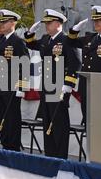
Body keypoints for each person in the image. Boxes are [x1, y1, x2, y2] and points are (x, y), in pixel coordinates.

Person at [24, 9, 81, 159]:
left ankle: (61, 157)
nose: (46, 26)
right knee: (47, 122)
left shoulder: (67, 40)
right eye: (46, 23)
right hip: (46, 86)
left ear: (58, 23)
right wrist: (30, 33)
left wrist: (68, 84)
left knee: (59, 124)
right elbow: (31, 45)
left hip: (59, 87)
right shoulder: (45, 39)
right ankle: (50, 156)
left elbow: (75, 63)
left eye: (49, 23)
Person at [0, 9, 29, 152]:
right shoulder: (0, 40)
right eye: (0, 21)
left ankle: (13, 149)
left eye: (4, 21)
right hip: (0, 85)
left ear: (13, 22)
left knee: (12, 119)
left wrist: (21, 87)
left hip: (12, 86)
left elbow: (25, 64)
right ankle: (5, 146)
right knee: (2, 117)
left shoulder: (18, 41)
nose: (1, 24)